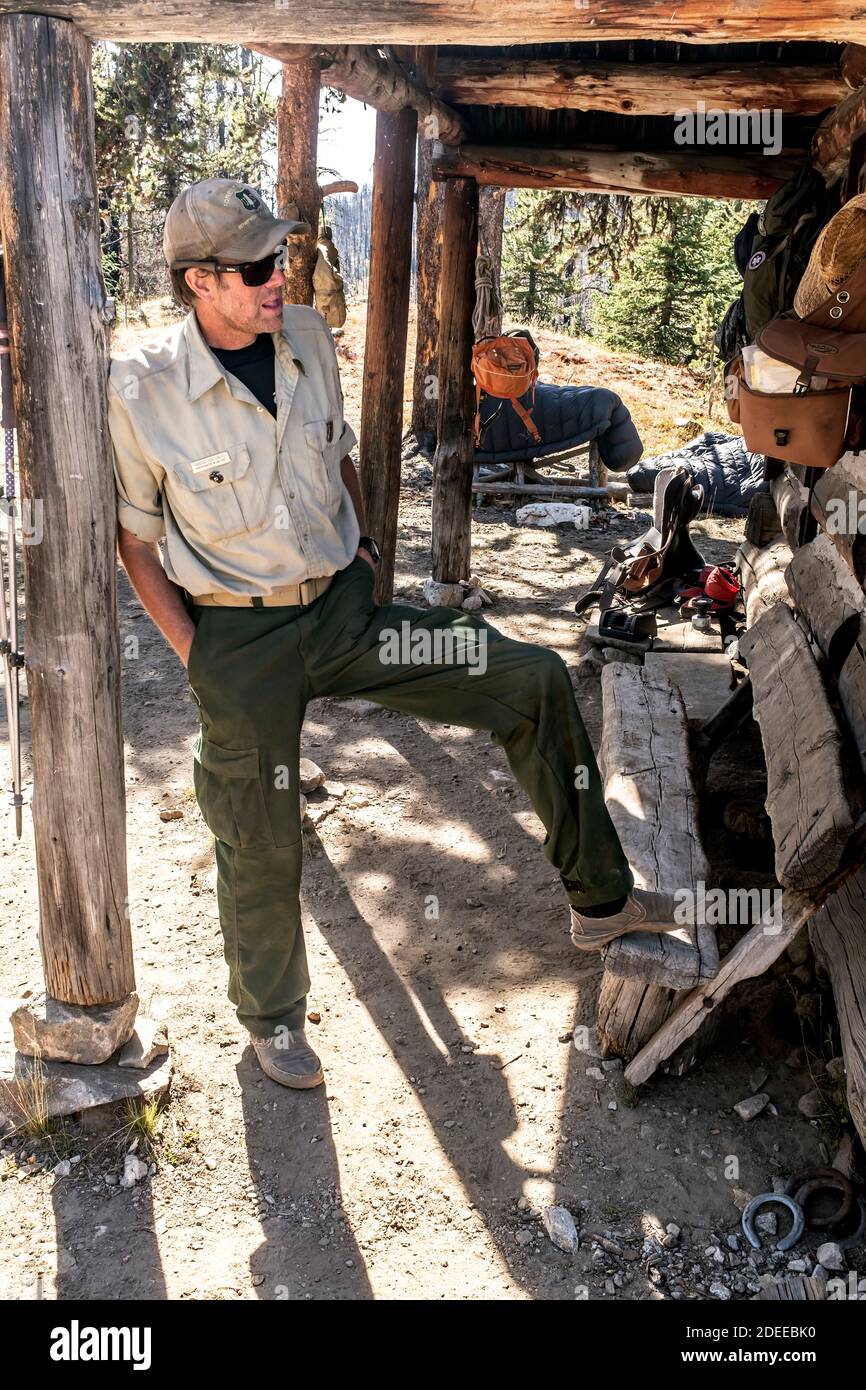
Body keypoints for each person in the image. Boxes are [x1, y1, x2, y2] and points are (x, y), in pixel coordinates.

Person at [109, 178, 686, 1091]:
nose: (280, 280)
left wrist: (366, 546)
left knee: (528, 677)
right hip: (239, 642)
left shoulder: (301, 338)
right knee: (257, 834)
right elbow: (135, 542)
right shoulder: (140, 387)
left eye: (283, 259)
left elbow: (335, 449)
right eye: (260, 266)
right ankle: (271, 1020)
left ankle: (602, 903)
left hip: (345, 612)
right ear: (200, 284)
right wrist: (201, 656)